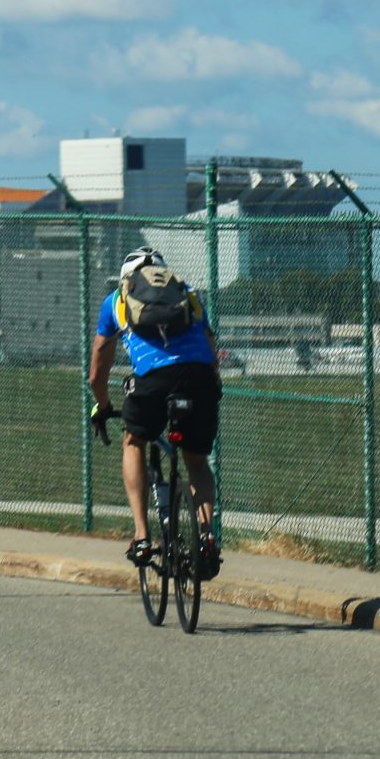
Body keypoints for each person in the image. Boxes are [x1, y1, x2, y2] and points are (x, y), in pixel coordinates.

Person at [86, 246, 223, 579]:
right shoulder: (188, 293)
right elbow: (209, 345)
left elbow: (96, 372)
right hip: (199, 377)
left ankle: (142, 536)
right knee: (197, 461)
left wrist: (103, 407)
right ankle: (206, 538)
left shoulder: (116, 300)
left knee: (133, 441)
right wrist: (212, 387)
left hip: (152, 382)